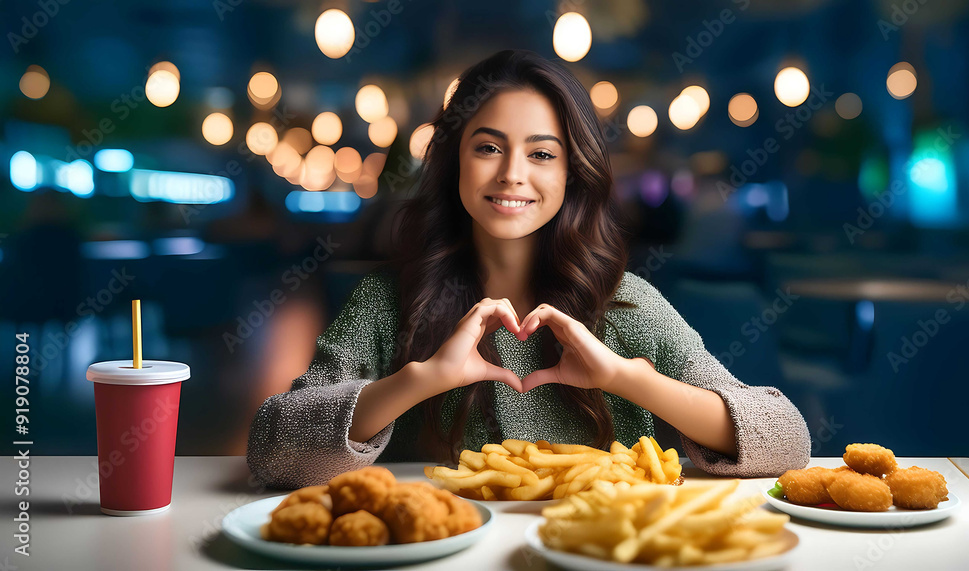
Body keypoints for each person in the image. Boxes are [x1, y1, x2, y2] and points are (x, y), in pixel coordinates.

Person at [247, 49, 810, 489]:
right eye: (488, 148)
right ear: (453, 162)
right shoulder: (388, 302)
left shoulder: (629, 308)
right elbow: (273, 450)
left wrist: (626, 378)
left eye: (542, 154)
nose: (513, 173)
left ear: (572, 174)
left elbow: (787, 440)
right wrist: (420, 380)